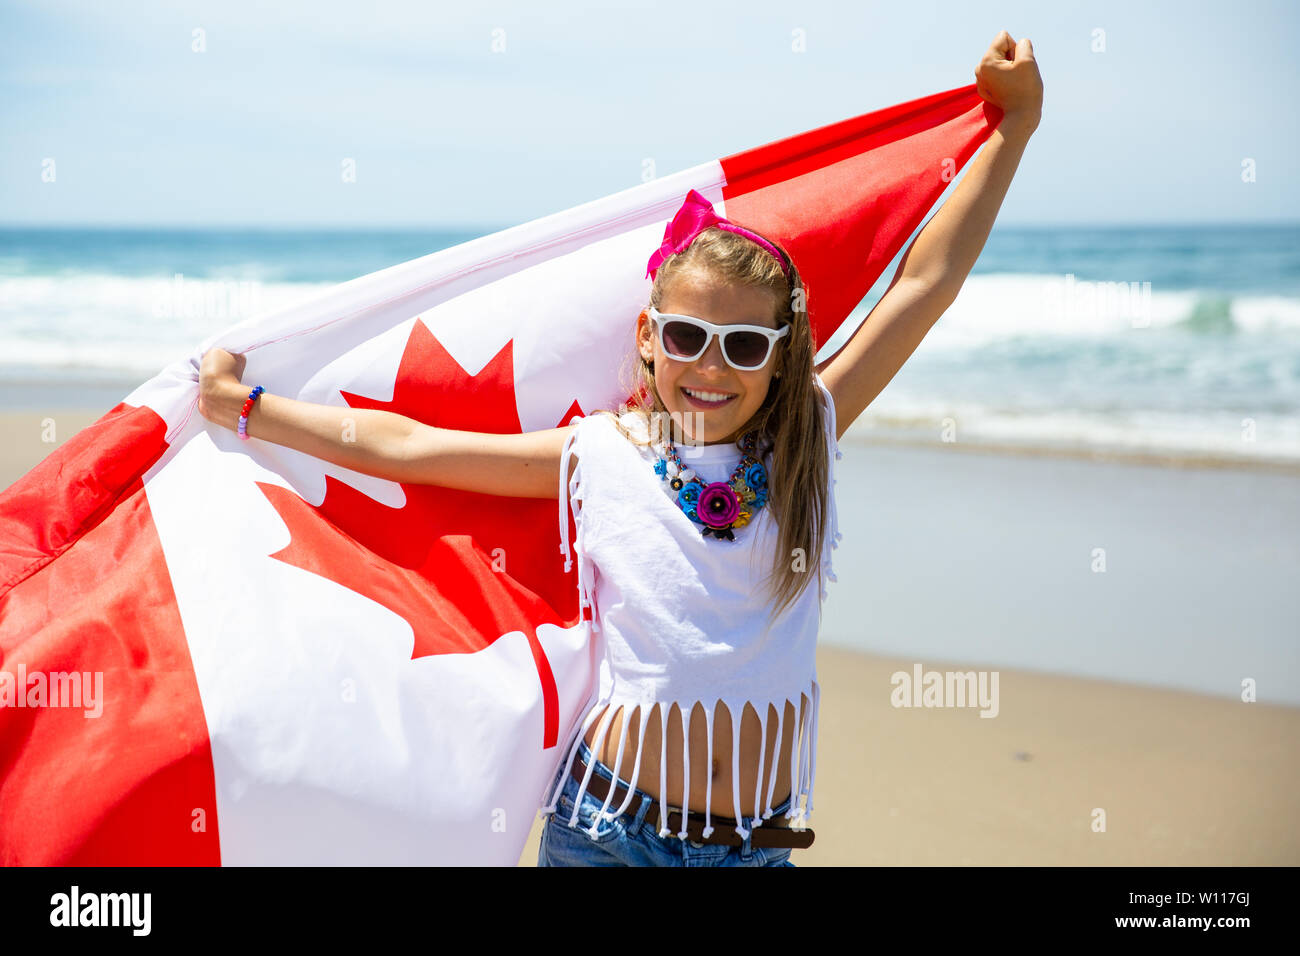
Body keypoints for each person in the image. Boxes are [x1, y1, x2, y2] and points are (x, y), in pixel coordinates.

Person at [198, 31, 1042, 868]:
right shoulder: (601, 453)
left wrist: (1012, 130)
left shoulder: (804, 436)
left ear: (781, 354)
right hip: (608, 835)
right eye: (687, 336)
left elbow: (922, 287)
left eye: (745, 346)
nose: (712, 367)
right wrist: (250, 409)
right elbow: (414, 448)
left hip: (758, 850)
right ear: (648, 337)